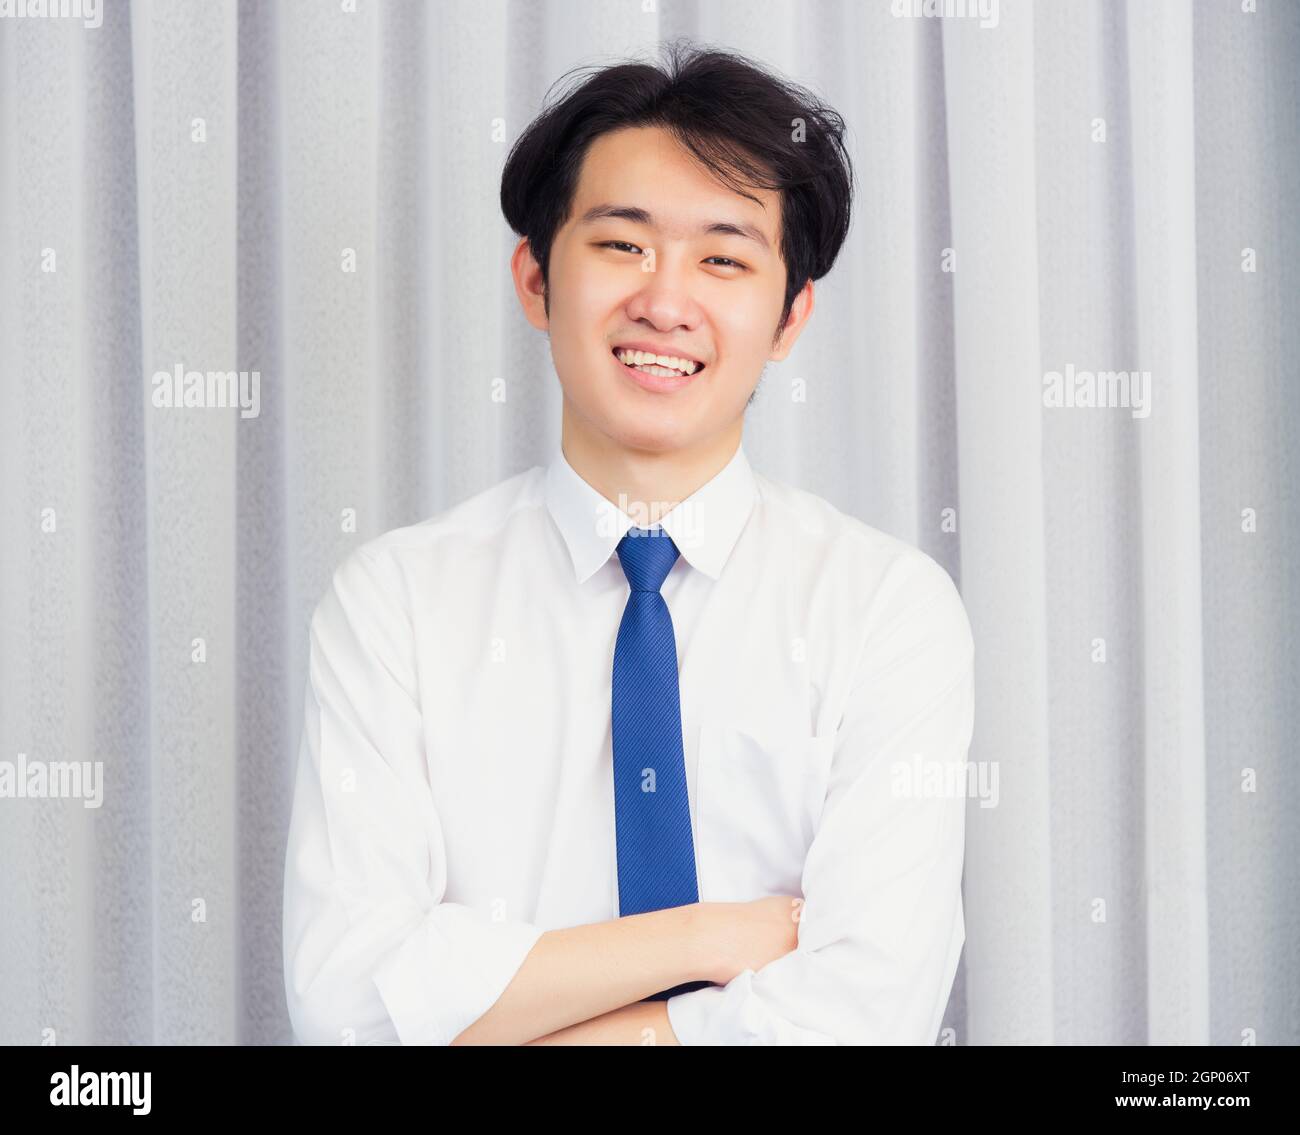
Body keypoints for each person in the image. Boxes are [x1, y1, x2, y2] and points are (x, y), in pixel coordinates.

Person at [282, 39, 974, 1046]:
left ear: (789, 319)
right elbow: (348, 1006)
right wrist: (709, 938)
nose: (665, 299)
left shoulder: (884, 608)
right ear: (534, 279)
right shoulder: (394, 600)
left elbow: (871, 1010)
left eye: (724, 258)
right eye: (621, 244)